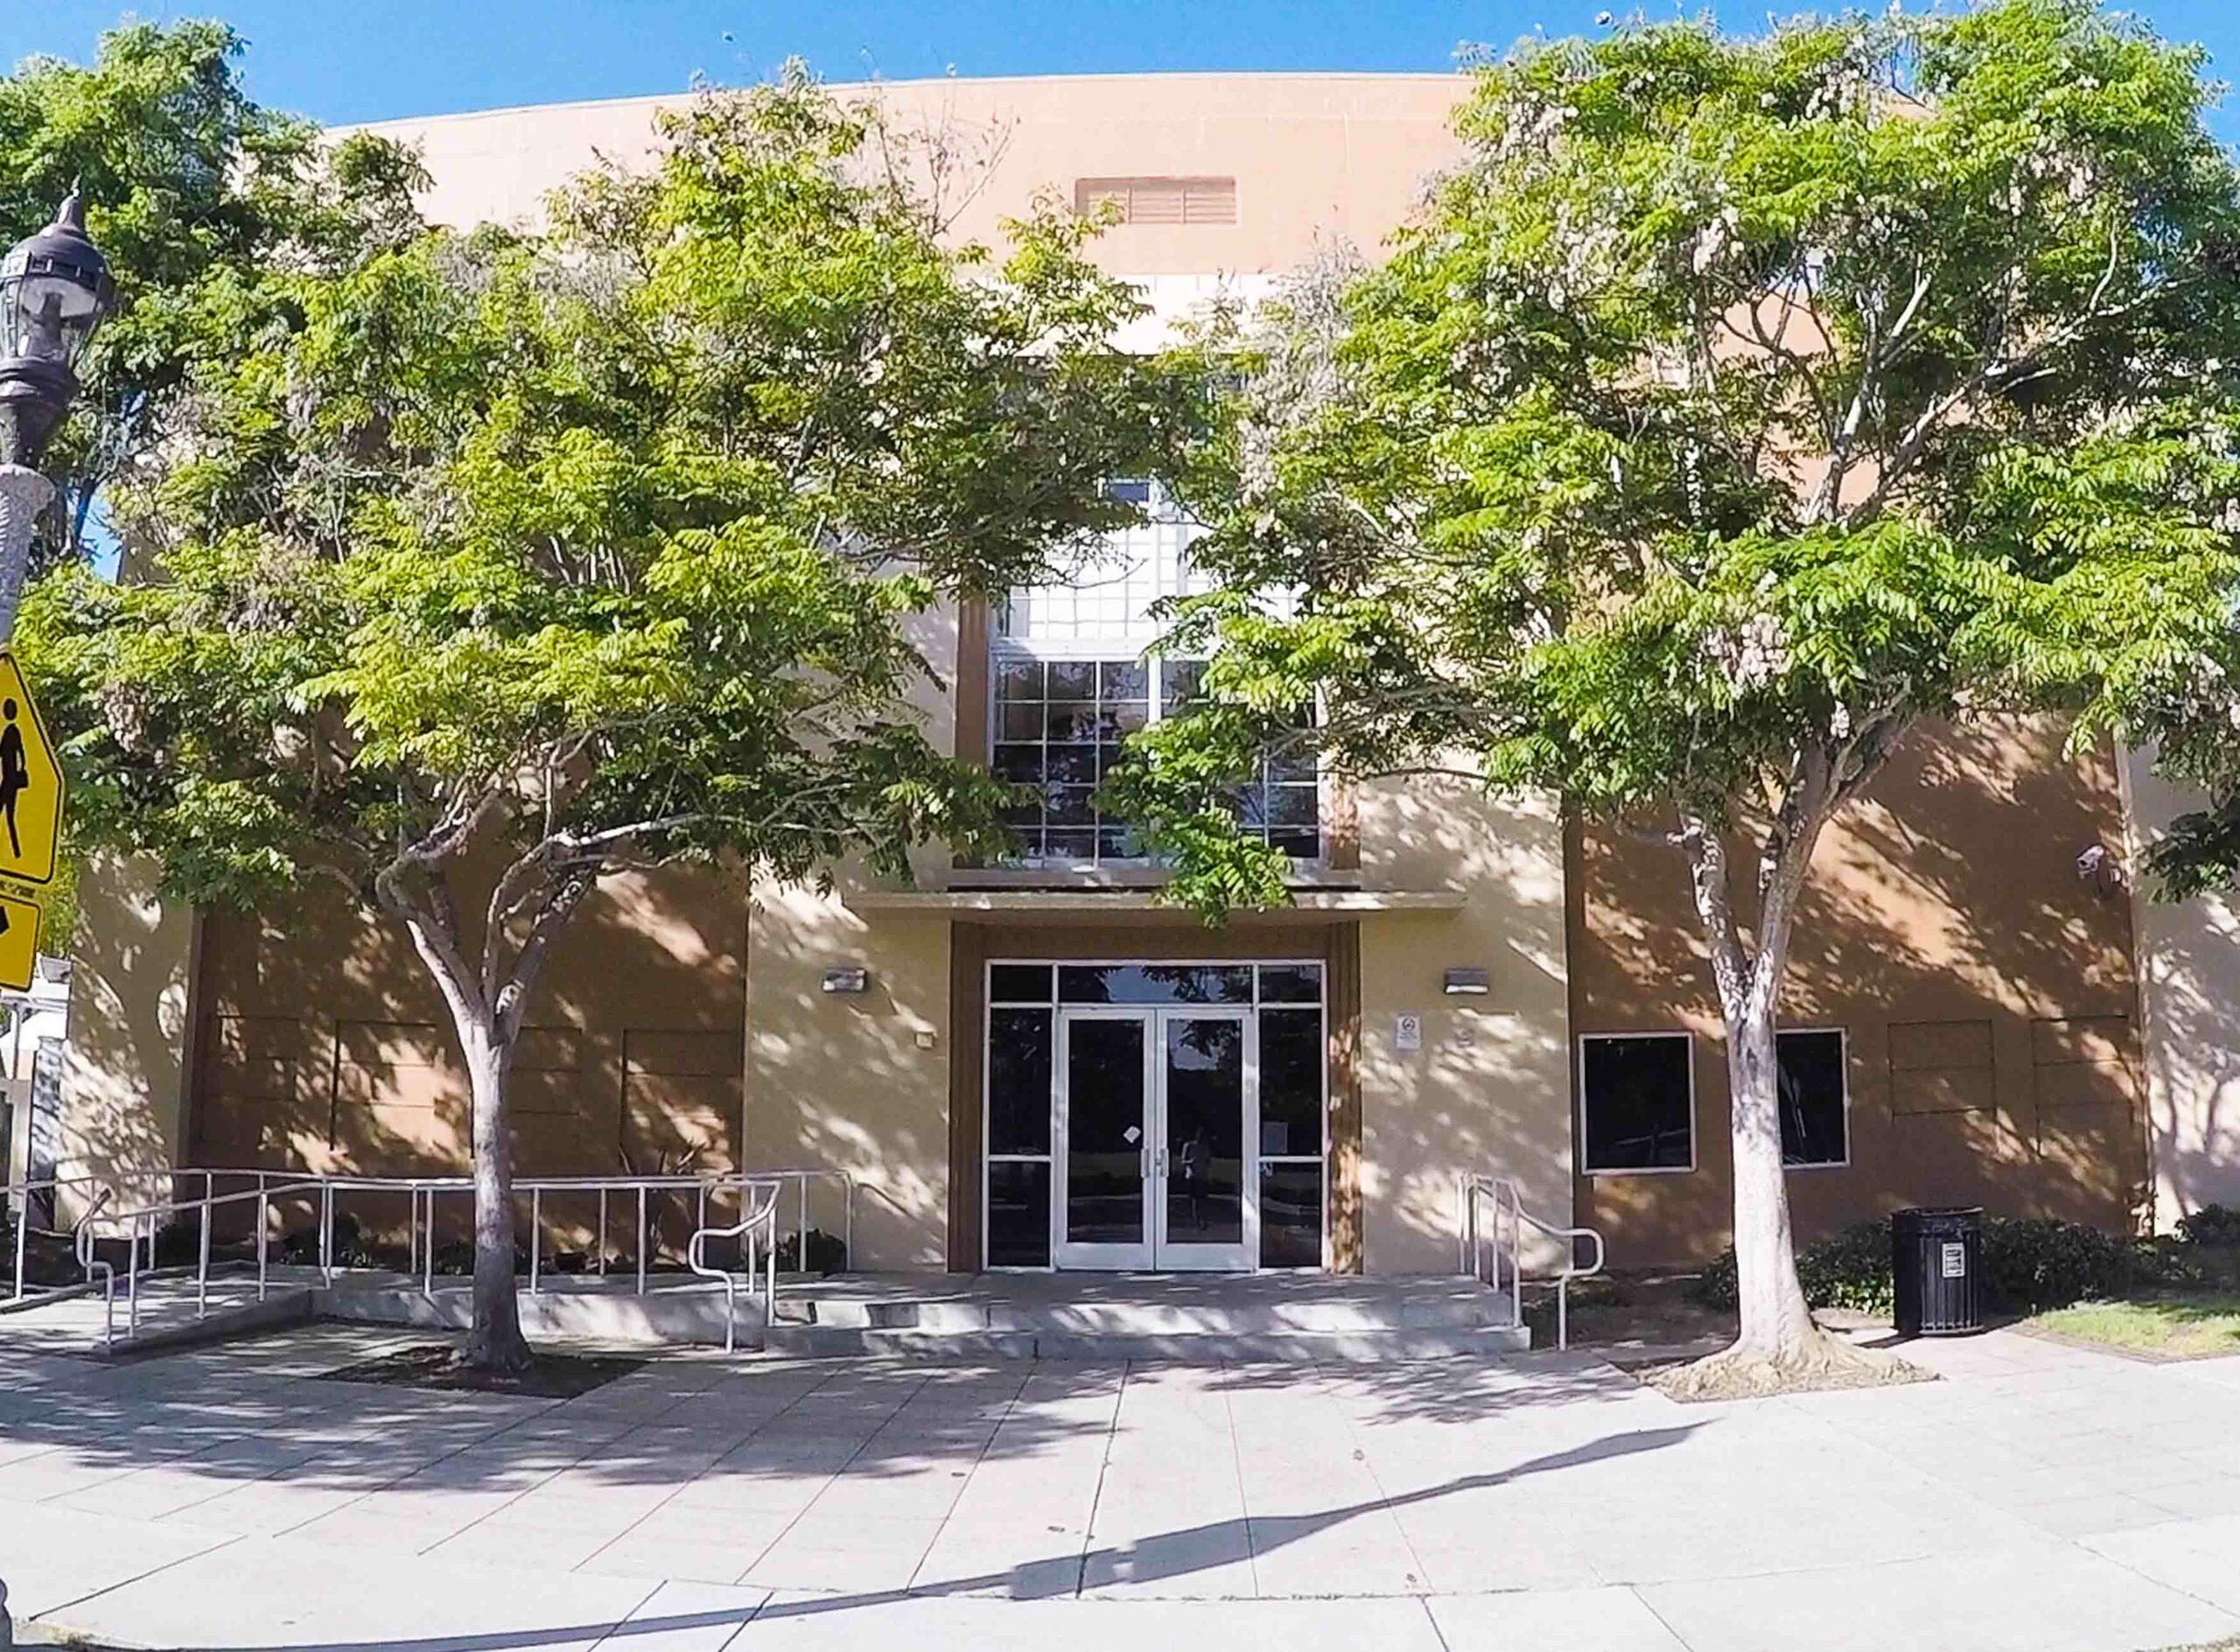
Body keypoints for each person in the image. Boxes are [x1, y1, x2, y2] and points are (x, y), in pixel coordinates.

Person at [0, 699, 27, 862]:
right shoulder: (9, 731)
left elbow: (20, 751)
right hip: (9, 779)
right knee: (9, 817)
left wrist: (19, 771)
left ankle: (17, 853)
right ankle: (16, 852)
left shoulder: (12, 731)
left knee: (9, 816)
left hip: (10, 781)